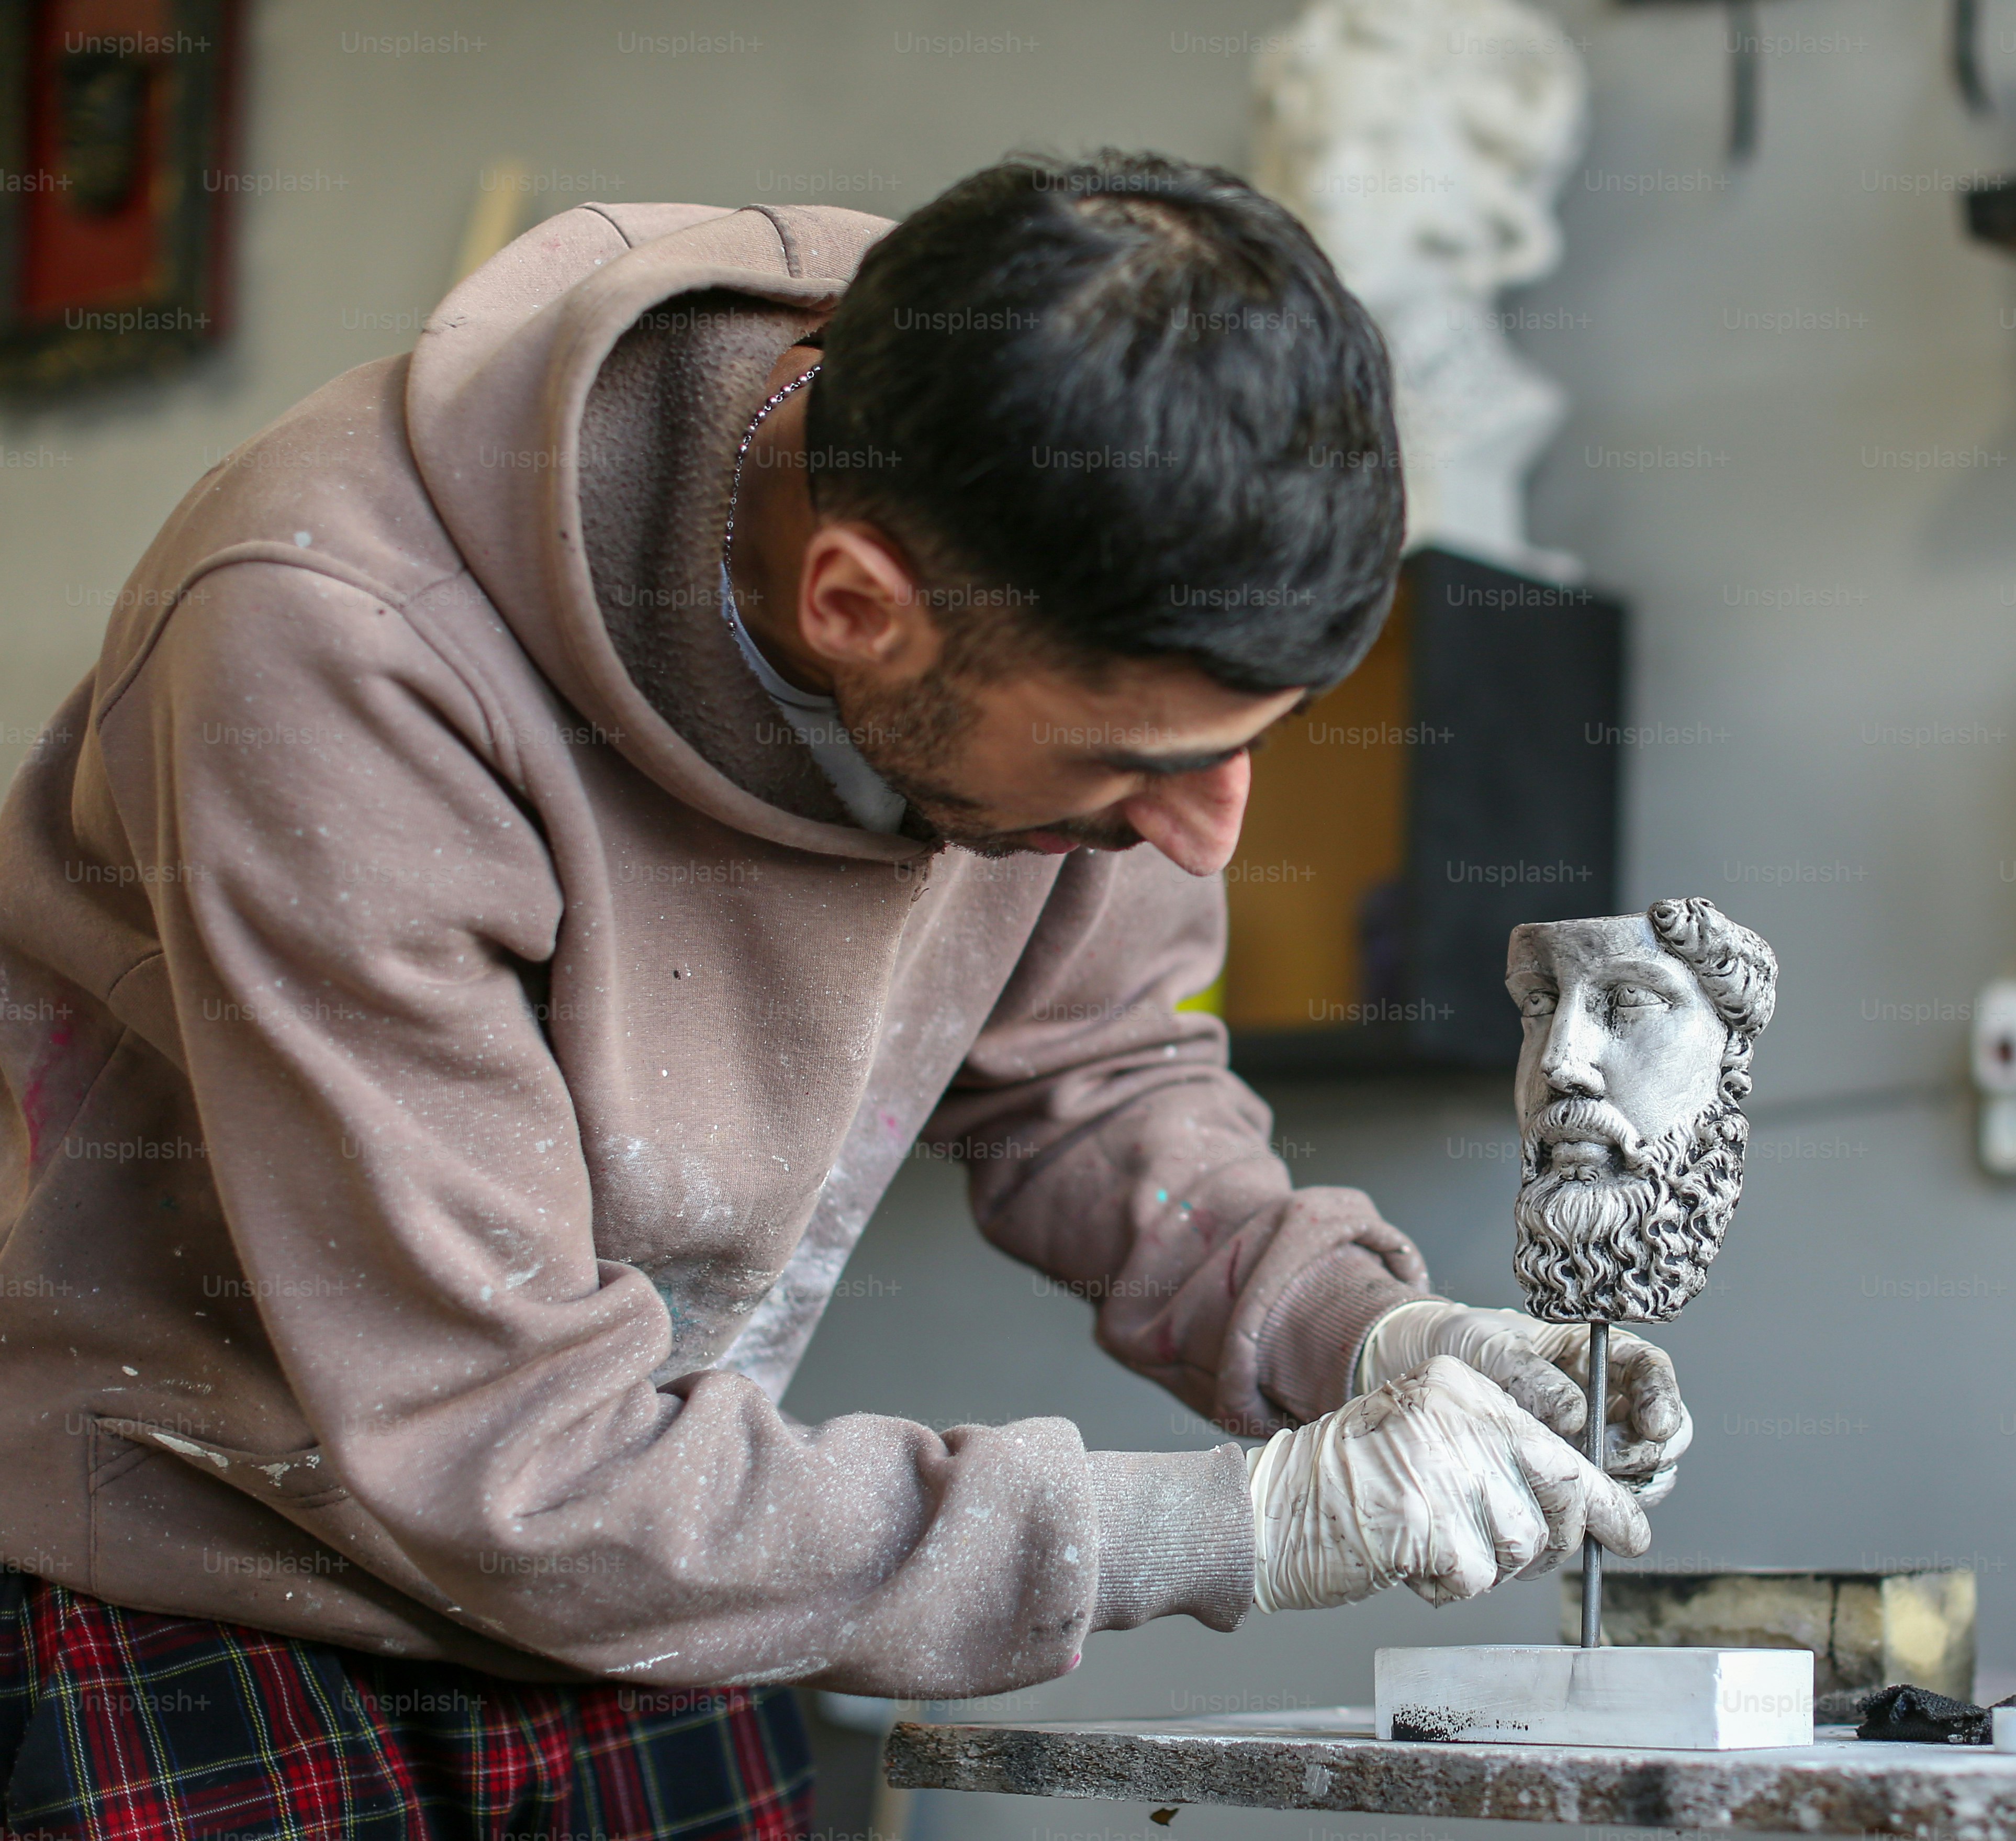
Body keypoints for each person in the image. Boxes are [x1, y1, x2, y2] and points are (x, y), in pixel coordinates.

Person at [0, 152, 1690, 1839]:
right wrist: (1242, 1524)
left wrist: (1369, 1335)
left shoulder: (1045, 508)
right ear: (854, 607)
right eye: (1141, 768)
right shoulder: (339, 651)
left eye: (1251, 749)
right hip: (192, 1585)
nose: (1205, 838)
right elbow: (509, 1460)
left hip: (640, 1564)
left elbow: (1097, 1085)